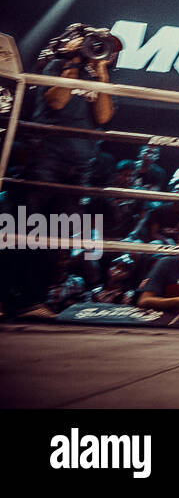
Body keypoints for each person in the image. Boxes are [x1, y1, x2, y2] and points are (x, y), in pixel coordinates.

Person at [8, 24, 117, 319]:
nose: (97, 50)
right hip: (46, 161)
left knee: (56, 237)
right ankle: (9, 298)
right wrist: (72, 63)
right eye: (92, 45)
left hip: (79, 169)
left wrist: (101, 73)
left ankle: (34, 301)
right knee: (24, 231)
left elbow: (104, 116)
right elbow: (56, 100)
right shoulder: (55, 65)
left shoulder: (98, 78)